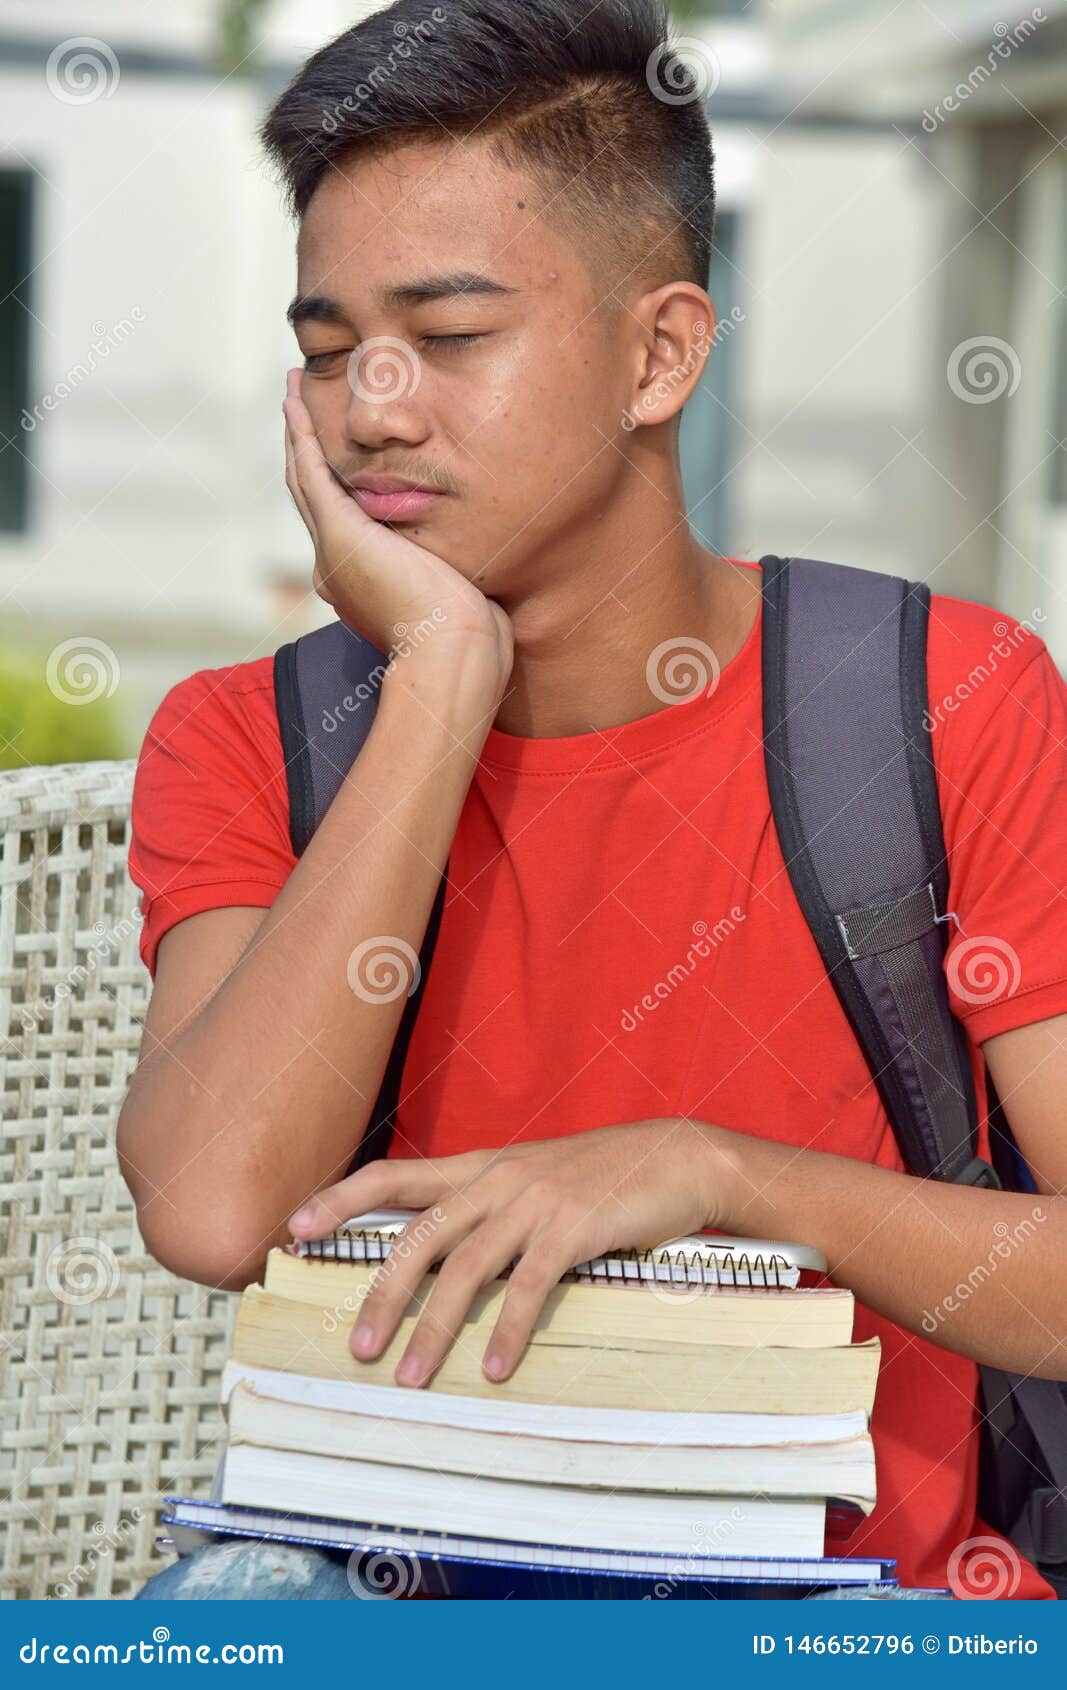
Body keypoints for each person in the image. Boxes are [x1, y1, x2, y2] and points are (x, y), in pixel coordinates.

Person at [121, 0, 1067, 1600]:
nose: (374, 408)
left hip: (869, 1608)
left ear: (661, 351)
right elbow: (215, 1207)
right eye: (331, 349)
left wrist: (719, 1173)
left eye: (451, 333)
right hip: (395, 1594)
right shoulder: (254, 737)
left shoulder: (939, 702)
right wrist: (435, 674)